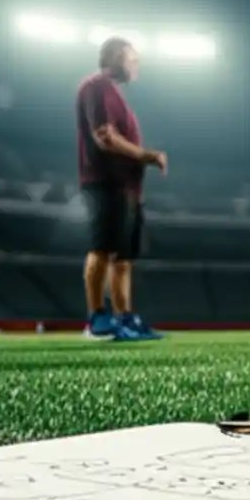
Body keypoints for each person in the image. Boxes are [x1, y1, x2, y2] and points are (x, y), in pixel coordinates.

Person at [76, 36, 168, 342]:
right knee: (102, 250)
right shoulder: (97, 86)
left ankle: (125, 318)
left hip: (128, 188)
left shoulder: (115, 94)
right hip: (106, 182)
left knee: (124, 258)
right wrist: (146, 155)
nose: (137, 63)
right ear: (115, 57)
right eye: (132, 57)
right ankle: (96, 319)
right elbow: (104, 136)